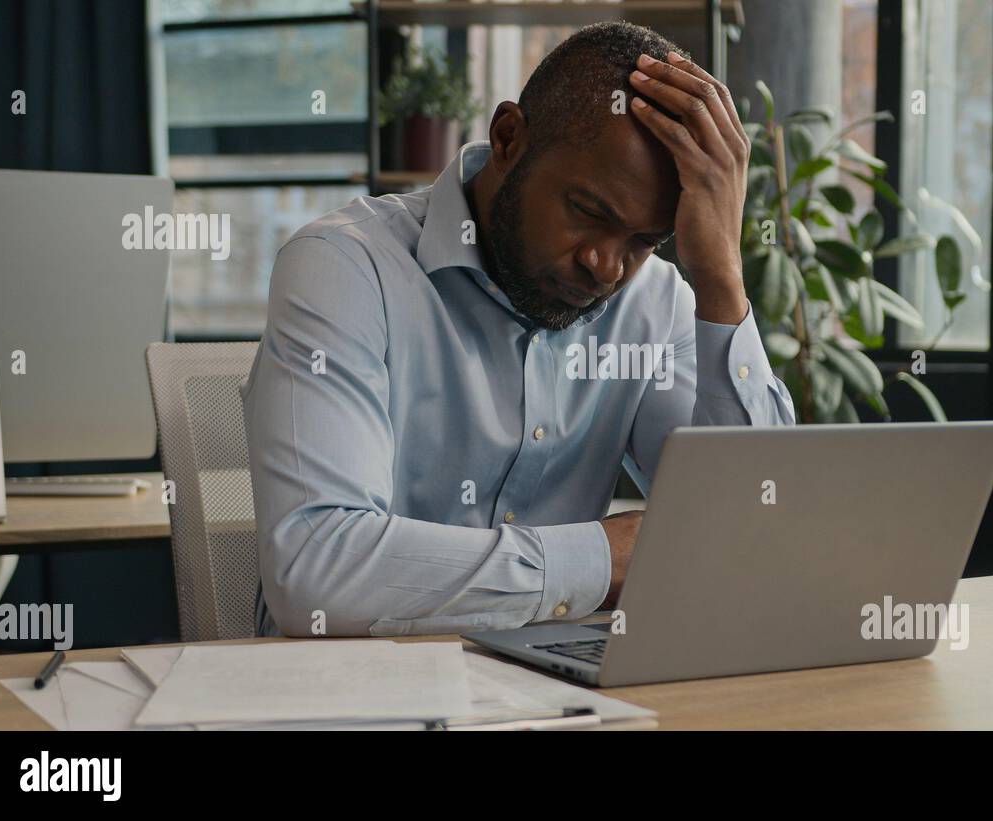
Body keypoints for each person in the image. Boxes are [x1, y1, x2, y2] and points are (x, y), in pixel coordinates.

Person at [242, 21, 795, 637]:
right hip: (361, 696)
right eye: (588, 211)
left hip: (559, 689)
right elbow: (316, 572)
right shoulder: (347, 267)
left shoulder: (654, 302)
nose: (607, 266)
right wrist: (605, 558)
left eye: (644, 240)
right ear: (508, 137)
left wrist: (720, 280)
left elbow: (754, 526)